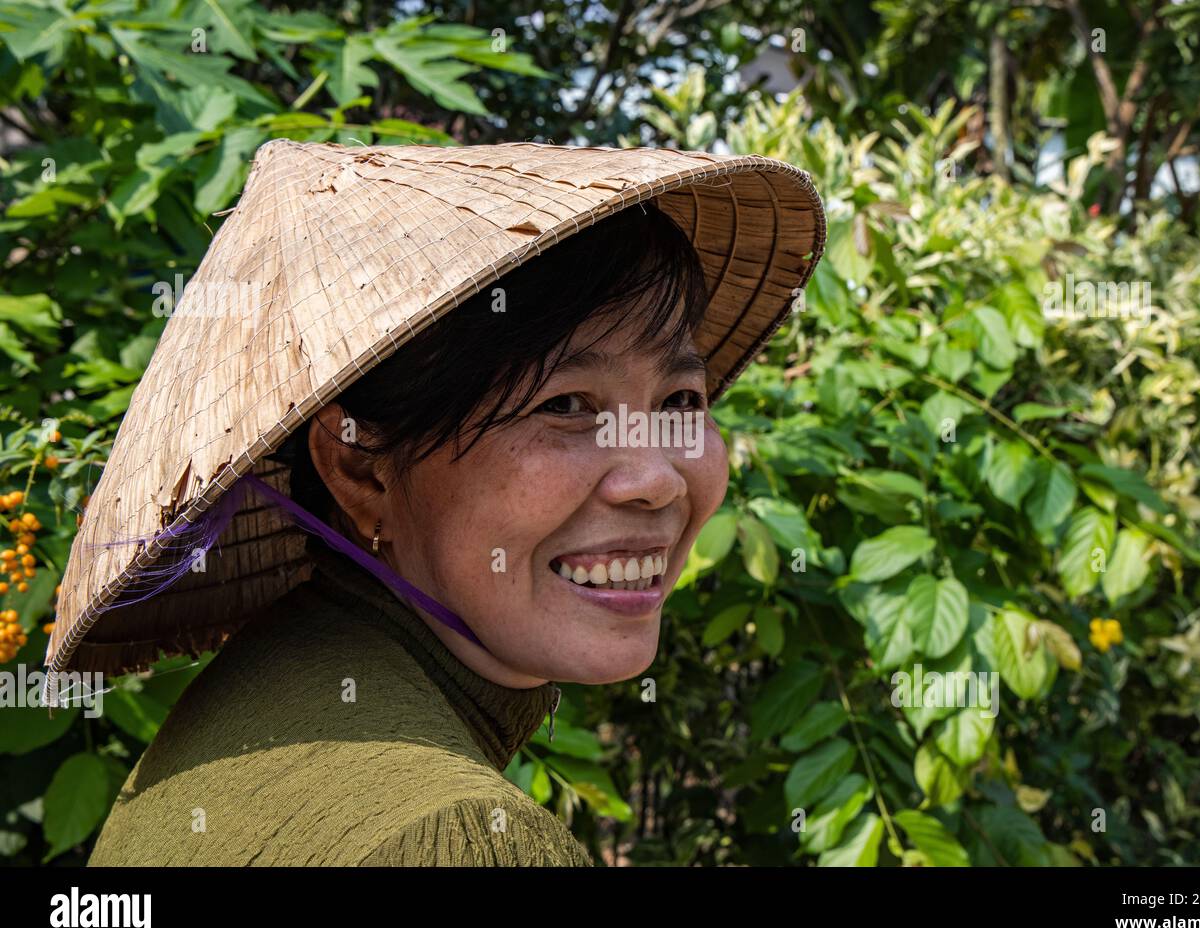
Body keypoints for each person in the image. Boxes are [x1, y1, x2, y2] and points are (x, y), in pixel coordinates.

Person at [56, 139, 824, 866]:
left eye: (682, 398)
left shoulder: (263, 695)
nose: (655, 477)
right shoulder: (452, 837)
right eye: (564, 405)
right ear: (361, 468)